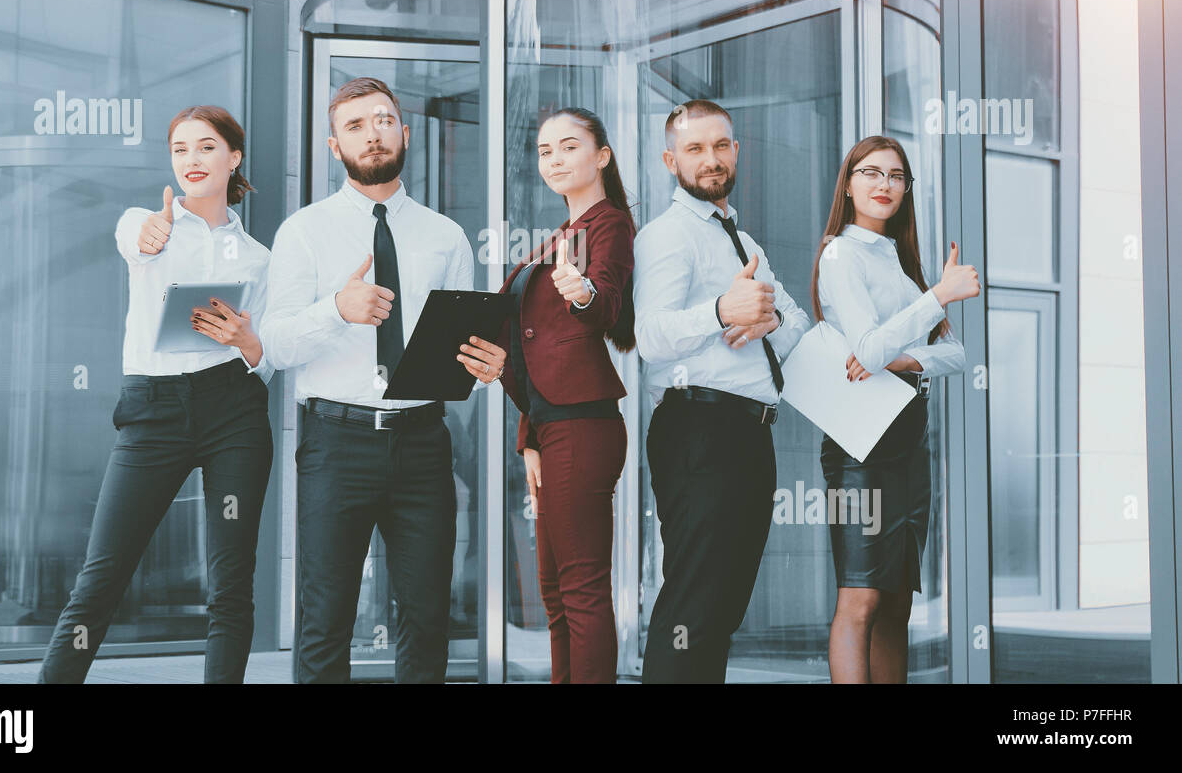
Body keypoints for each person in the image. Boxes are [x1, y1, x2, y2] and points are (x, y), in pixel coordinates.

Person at [259, 76, 506, 684]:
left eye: (383, 120)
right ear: (333, 146)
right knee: (326, 615)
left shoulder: (445, 236)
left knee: (425, 618)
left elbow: (459, 359)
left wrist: (485, 368)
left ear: (405, 131)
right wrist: (336, 310)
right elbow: (274, 344)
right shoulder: (304, 231)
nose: (372, 133)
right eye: (355, 126)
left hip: (423, 442)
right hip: (335, 444)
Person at [39, 106, 274, 684]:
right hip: (154, 411)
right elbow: (134, 241)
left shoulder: (258, 258)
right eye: (179, 149)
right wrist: (150, 234)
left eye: (206, 147)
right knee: (103, 576)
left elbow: (262, 359)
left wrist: (248, 342)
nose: (191, 160)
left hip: (234, 412)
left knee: (231, 583)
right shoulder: (146, 224)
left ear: (233, 158)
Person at [633, 98, 809, 684]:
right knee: (695, 602)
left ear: (736, 151)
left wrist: (772, 321)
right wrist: (718, 309)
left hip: (748, 435)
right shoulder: (668, 236)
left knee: (723, 607)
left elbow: (799, 329)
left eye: (720, 145)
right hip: (699, 432)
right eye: (694, 148)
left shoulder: (742, 240)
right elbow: (649, 337)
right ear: (670, 159)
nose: (710, 159)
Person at [811, 135, 977, 684]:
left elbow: (954, 355)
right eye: (871, 173)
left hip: (910, 439)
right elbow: (867, 350)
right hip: (861, 445)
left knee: (896, 604)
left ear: (906, 190)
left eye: (896, 176)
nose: (884, 185)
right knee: (860, 599)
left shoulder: (902, 266)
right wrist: (939, 296)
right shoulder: (841, 253)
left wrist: (905, 357)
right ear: (849, 183)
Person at [494, 107, 635, 684]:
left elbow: (608, 303)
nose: (554, 158)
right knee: (553, 592)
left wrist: (582, 294)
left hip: (582, 426)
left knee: (580, 589)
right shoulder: (560, 235)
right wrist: (529, 437)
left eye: (569, 146)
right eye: (545, 150)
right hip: (550, 429)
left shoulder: (611, 224)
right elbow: (531, 354)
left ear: (601, 156)